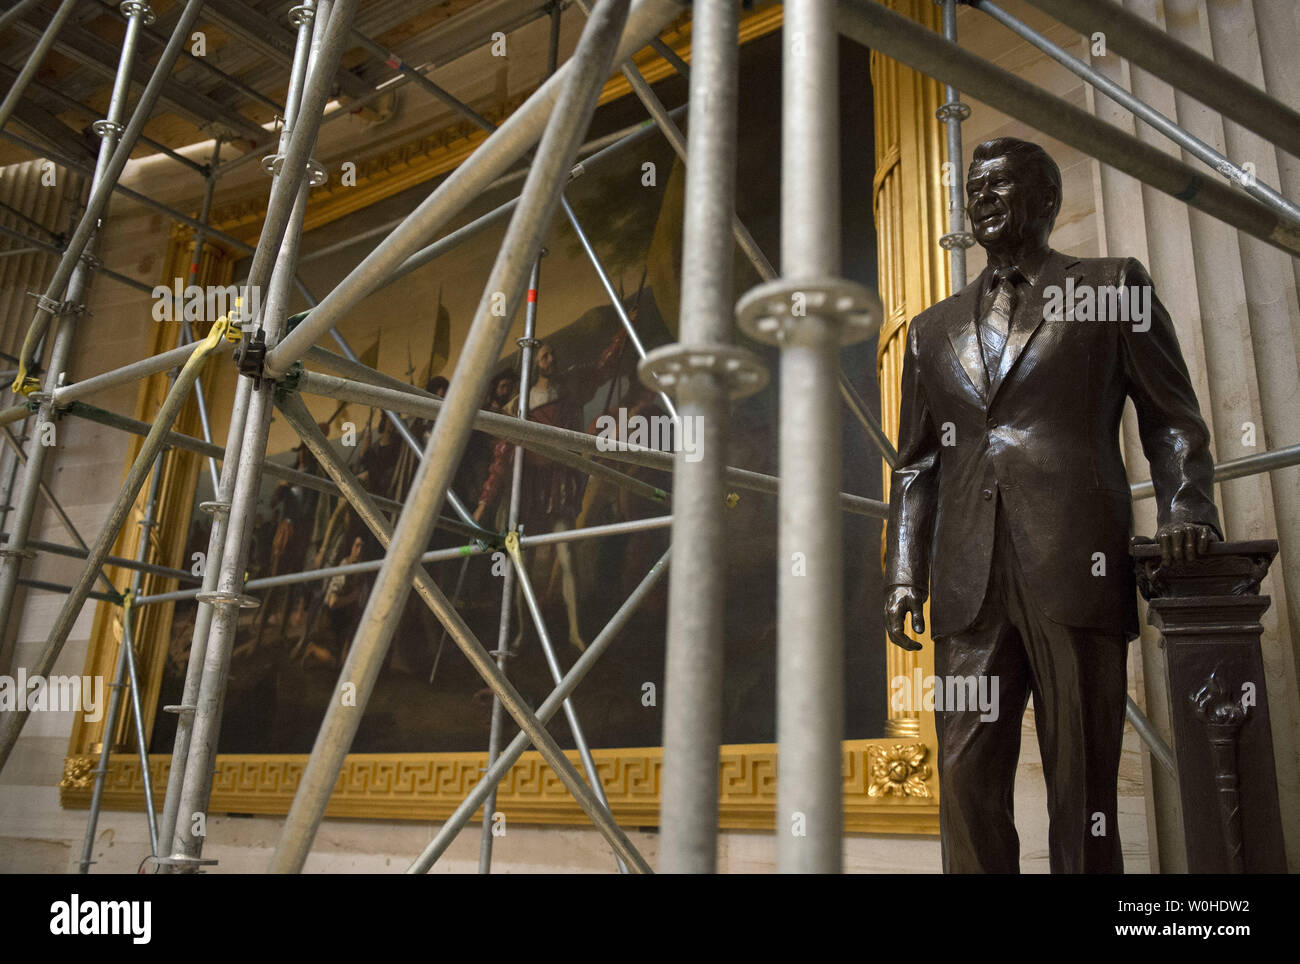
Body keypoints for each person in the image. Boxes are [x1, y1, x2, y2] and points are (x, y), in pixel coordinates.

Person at [883, 137, 1220, 874]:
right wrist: (905, 571)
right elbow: (915, 468)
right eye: (974, 188)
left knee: (1084, 785)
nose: (981, 199)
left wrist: (1187, 508)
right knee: (966, 780)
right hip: (969, 583)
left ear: (1045, 199)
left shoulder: (1108, 285)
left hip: (1075, 563)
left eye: (999, 185)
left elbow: (1172, 417)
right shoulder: (932, 331)